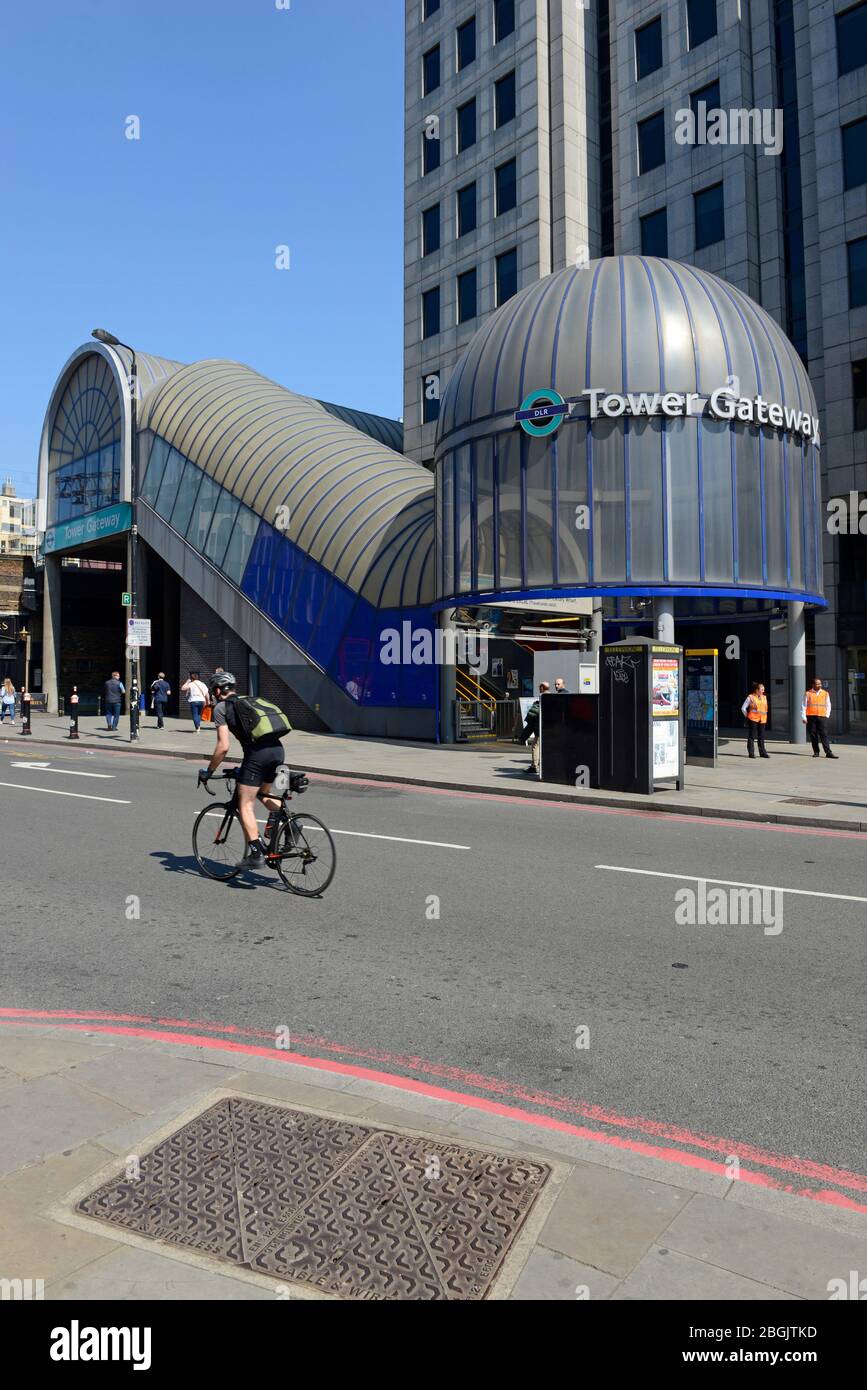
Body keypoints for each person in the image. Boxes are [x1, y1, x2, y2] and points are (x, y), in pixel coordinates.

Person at [200, 672, 286, 869]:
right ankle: (290, 823)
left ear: (218, 690)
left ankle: (256, 854)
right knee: (262, 793)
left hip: (257, 755)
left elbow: (223, 746)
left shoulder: (221, 708)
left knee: (244, 803)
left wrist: (209, 771)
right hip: (277, 750)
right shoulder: (248, 700)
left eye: (214, 691)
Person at [802, 678, 837, 759]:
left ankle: (828, 752)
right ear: (813, 685)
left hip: (822, 717)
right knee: (813, 735)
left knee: (824, 735)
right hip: (811, 717)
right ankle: (816, 752)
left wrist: (827, 715)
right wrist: (804, 717)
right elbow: (803, 706)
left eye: (820, 684)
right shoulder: (808, 693)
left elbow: (828, 705)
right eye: (818, 684)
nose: (820, 685)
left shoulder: (825, 693)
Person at [521, 681, 550, 775]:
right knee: (544, 747)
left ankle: (534, 766)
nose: (538, 688)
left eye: (539, 686)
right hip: (548, 728)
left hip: (540, 727)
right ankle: (544, 765)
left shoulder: (543, 697)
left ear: (542, 687)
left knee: (535, 746)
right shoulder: (552, 696)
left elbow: (538, 713)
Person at [741, 681, 769, 759]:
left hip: (762, 719)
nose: (763, 690)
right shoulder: (750, 697)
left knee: (761, 736)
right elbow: (743, 708)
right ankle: (751, 753)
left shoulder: (764, 697)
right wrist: (747, 716)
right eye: (762, 689)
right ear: (757, 690)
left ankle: (763, 753)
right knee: (752, 736)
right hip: (753, 719)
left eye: (763, 689)